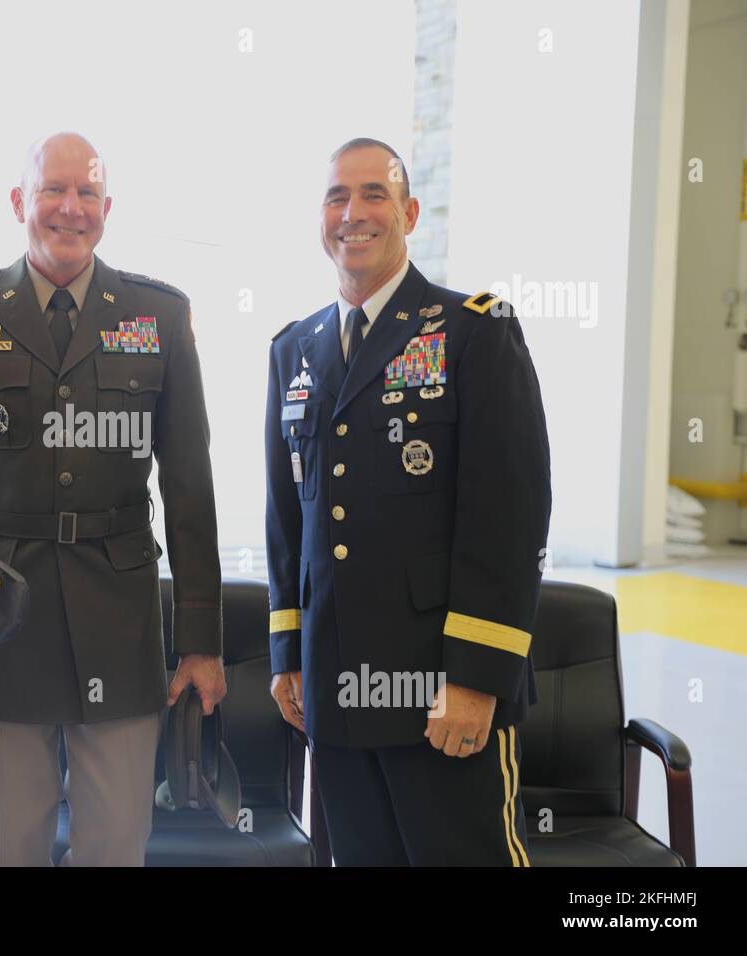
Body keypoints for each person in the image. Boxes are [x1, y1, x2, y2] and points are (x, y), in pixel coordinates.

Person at [0, 132, 225, 866]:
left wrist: (201, 642)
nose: (70, 207)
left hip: (118, 621)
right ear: (20, 202)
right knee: (9, 848)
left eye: (87, 194)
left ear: (107, 209)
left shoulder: (158, 315)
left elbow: (188, 486)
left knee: (116, 847)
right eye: (53, 190)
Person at [265, 137, 551, 865]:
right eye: (337, 197)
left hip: (437, 690)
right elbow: (288, 518)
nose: (352, 213)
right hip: (335, 687)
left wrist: (476, 680)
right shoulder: (294, 349)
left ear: (409, 212)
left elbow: (508, 521)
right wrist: (287, 650)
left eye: (373, 194)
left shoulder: (473, 331)